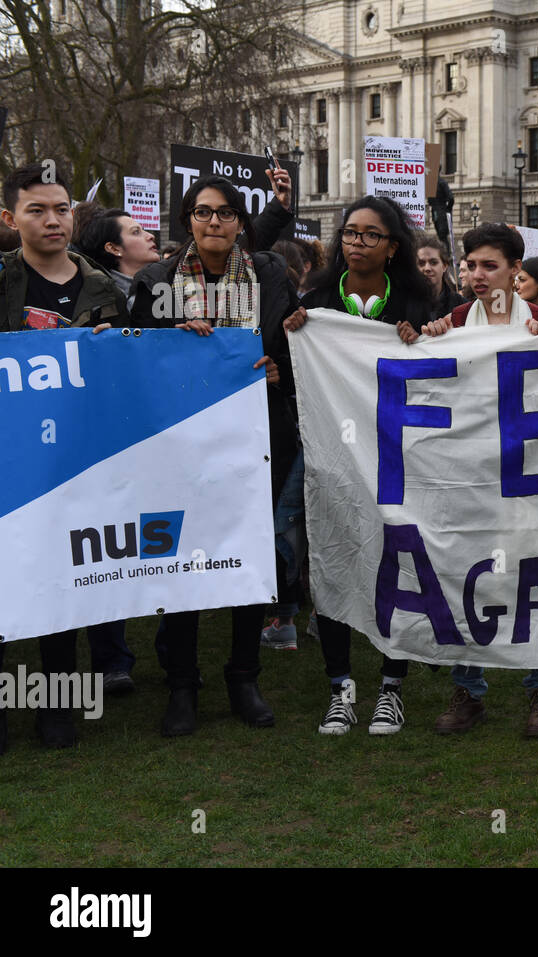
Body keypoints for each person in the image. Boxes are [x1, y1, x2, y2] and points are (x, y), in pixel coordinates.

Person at [129, 174, 298, 737]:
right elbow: (131, 360)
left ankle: (243, 677)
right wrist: (171, 338)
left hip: (255, 439)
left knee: (249, 558)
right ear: (187, 222)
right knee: (183, 558)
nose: (215, 222)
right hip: (181, 443)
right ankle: (182, 684)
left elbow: (295, 341)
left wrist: (279, 370)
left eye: (226, 213)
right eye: (203, 213)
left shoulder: (271, 273)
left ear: (240, 222)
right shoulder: (156, 281)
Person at [284, 196, 442, 735]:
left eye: (370, 235)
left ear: (392, 246)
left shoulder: (419, 302)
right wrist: (294, 334)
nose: (356, 242)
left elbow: (448, 369)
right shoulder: (319, 301)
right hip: (333, 458)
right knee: (333, 555)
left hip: (401, 458)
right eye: (350, 233)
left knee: (395, 560)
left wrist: (422, 341)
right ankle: (341, 688)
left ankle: (391, 687)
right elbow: (292, 373)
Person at [0, 162, 129, 750]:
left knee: (61, 580)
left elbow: (131, 375)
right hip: (10, 459)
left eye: (62, 208)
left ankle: (55, 705)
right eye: (37, 210)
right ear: (10, 219)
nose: (53, 220)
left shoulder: (106, 289)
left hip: (76, 461)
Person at [419, 223, 538, 737]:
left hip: (531, 475)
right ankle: (468, 689)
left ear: (515, 269)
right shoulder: (454, 322)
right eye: (470, 265)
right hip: (472, 476)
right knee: (466, 571)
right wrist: (425, 342)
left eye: (489, 266)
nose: (476, 275)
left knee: (535, 578)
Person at [69, 207, 165, 692]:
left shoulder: (162, 287)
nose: (149, 235)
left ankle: (132, 655)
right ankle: (109, 658)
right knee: (98, 539)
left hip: (146, 434)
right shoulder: (97, 293)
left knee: (136, 538)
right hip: (95, 437)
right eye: (136, 231)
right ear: (112, 249)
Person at [415, 235, 465, 317]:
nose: (427, 268)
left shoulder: (462, 306)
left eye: (433, 262)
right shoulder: (403, 304)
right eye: (421, 263)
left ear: (444, 266)